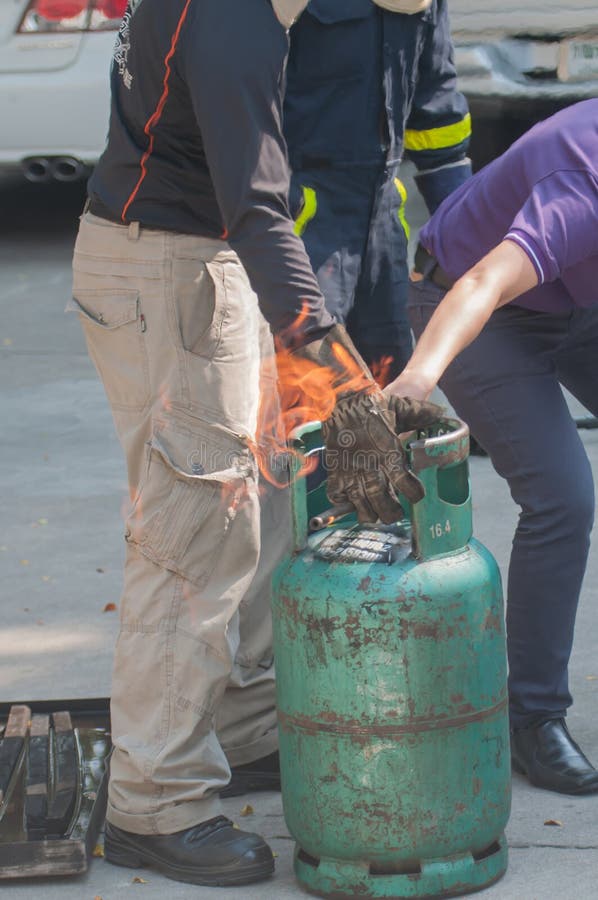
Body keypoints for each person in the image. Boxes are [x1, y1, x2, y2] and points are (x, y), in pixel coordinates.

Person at [69, 0, 440, 887]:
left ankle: (235, 726)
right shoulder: (236, 23)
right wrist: (351, 380)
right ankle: (153, 802)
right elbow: (259, 211)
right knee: (195, 537)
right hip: (175, 267)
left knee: (265, 503)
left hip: (185, 259)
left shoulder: (247, 13)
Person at [385, 99, 598, 795]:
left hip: (577, 299)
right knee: (562, 498)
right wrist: (419, 378)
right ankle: (534, 718)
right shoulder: (581, 187)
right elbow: (484, 282)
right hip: (480, 310)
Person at [283, 0, 472, 385]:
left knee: (388, 385)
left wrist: (464, 225)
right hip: (306, 219)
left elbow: (435, 102)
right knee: (307, 387)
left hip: (382, 223)